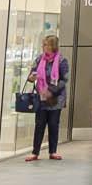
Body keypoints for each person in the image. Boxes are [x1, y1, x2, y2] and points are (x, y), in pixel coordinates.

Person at [28, 35, 69, 163]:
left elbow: (64, 79)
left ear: (52, 46)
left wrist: (51, 91)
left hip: (56, 98)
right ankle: (35, 152)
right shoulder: (39, 59)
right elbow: (31, 75)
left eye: (46, 44)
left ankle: (53, 151)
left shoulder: (62, 61)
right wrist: (31, 78)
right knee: (39, 124)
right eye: (43, 44)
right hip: (41, 97)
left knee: (53, 124)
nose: (43, 47)